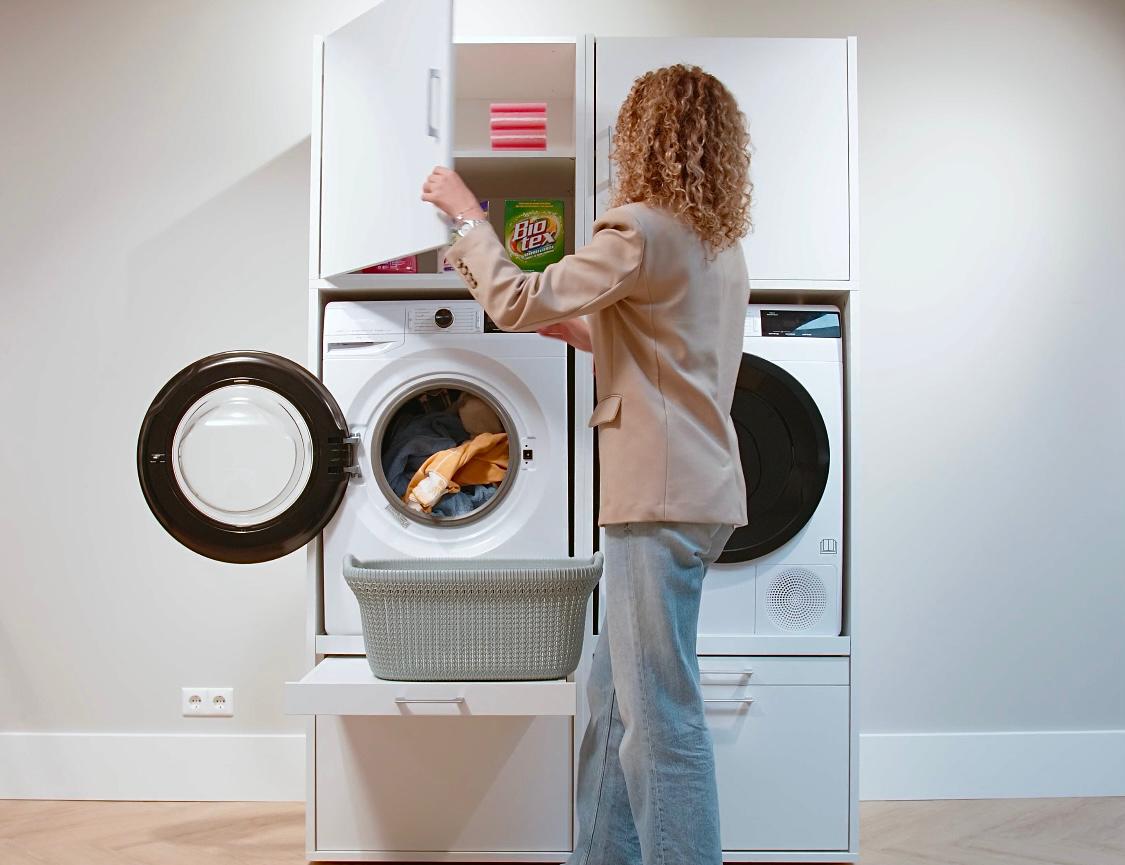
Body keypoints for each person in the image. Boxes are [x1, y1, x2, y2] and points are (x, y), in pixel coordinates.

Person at [422, 63, 752, 865]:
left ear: (643, 138)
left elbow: (516, 300)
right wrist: (575, 328)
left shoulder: (637, 228)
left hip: (656, 496)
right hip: (698, 492)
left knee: (660, 718)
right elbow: (659, 348)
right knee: (613, 707)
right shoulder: (715, 244)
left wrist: (468, 217)